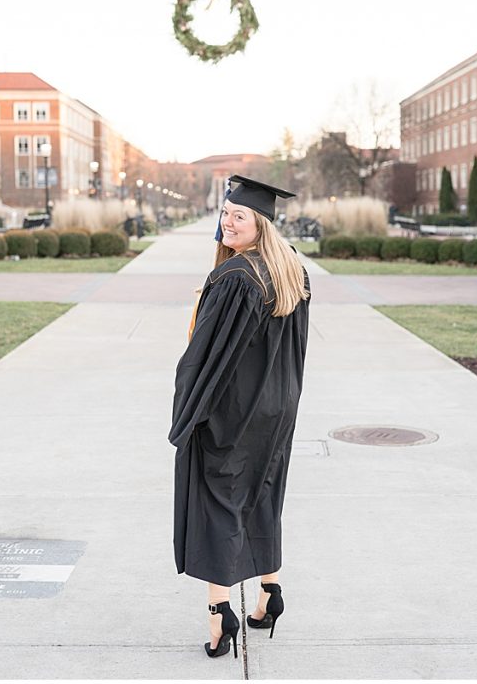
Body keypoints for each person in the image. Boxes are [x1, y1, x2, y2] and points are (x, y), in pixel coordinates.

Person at [169, 175, 311, 658]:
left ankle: (220, 613)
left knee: (219, 502)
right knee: (263, 495)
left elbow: (206, 359)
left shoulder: (235, 278)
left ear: (260, 223)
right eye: (226, 213)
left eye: (239, 215)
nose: (228, 222)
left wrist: (188, 413)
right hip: (277, 408)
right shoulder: (290, 268)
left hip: (233, 413)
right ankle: (270, 594)